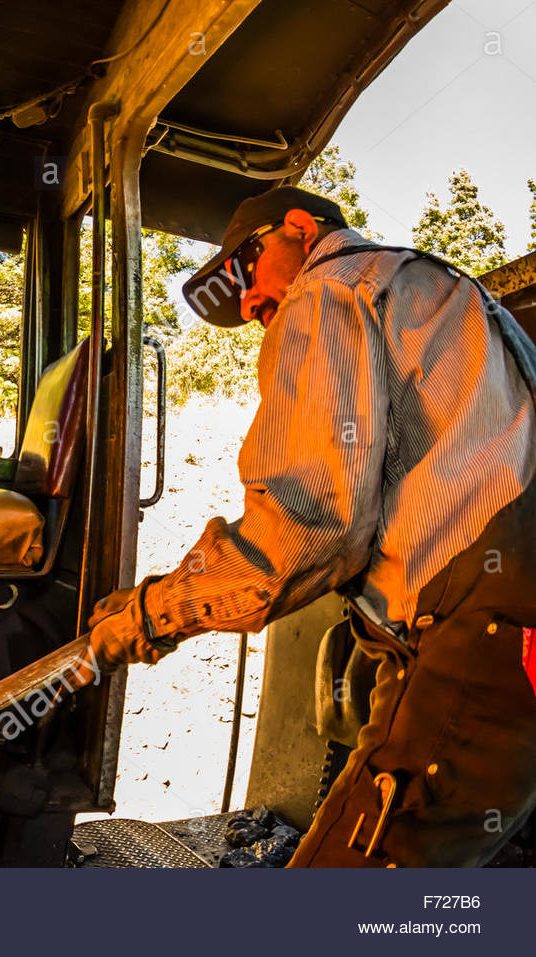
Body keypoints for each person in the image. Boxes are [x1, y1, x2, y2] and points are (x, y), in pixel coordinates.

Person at [86, 186, 536, 867]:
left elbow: (307, 529)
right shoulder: (457, 293)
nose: (249, 304)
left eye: (246, 266)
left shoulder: (326, 292)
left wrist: (151, 613)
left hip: (481, 629)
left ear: (300, 227)